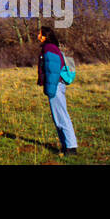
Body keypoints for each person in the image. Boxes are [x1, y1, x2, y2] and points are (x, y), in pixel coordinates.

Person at [37, 25, 78, 156]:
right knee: (58, 116)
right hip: (56, 85)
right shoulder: (50, 48)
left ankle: (71, 147)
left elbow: (53, 70)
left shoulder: (49, 48)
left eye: (40, 34)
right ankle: (66, 146)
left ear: (45, 36)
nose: (38, 36)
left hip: (55, 85)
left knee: (61, 116)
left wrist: (50, 88)